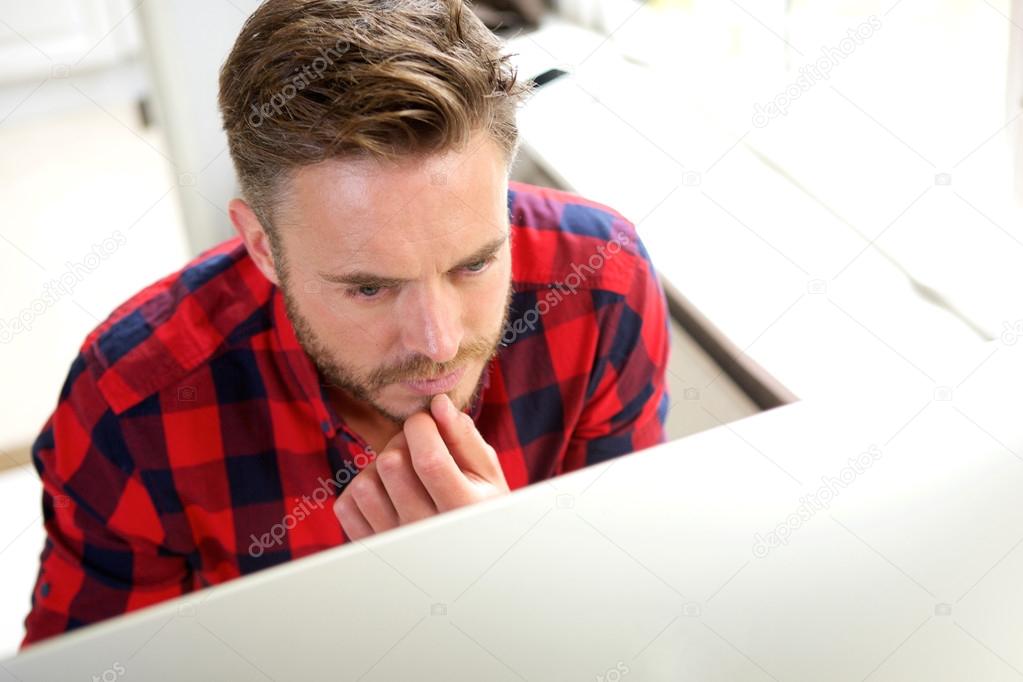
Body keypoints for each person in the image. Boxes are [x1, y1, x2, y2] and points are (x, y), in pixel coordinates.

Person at [21, 0, 670, 647]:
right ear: (262, 247)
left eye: (473, 264)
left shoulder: (600, 285)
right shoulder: (130, 405)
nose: (439, 342)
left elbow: (638, 601)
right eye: (369, 287)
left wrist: (503, 580)